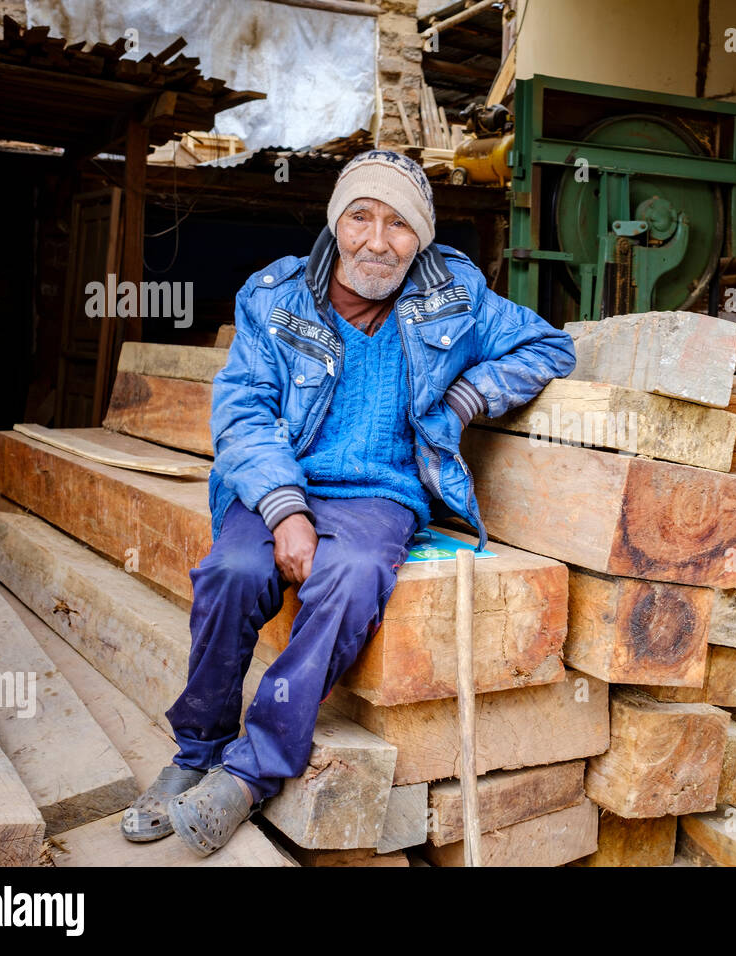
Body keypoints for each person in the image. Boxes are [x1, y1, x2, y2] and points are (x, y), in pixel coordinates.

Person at [119, 149, 576, 856]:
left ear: (420, 238)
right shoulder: (273, 297)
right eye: (361, 216)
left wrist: (465, 397)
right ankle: (197, 749)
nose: (376, 239)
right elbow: (242, 415)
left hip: (381, 491)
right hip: (282, 477)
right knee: (233, 573)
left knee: (355, 576)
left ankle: (253, 770)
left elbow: (550, 346)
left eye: (399, 224)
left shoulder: (455, 291)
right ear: (336, 221)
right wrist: (284, 509)